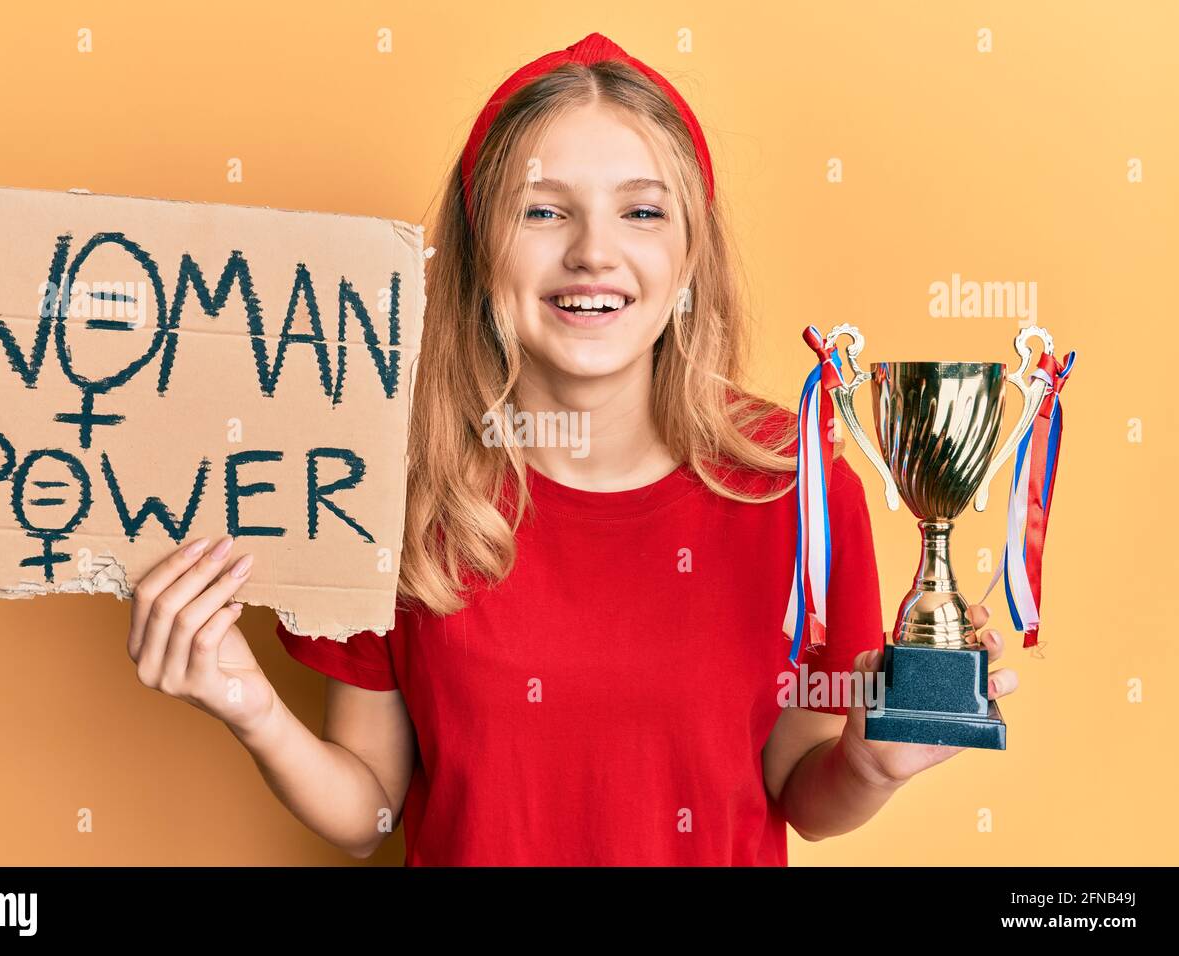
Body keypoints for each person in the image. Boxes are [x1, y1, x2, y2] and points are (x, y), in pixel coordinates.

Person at [125, 32, 1018, 866]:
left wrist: (870, 764)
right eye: (545, 211)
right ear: (481, 256)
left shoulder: (797, 486)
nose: (594, 252)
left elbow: (800, 790)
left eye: (641, 212)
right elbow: (370, 813)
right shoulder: (394, 484)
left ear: (690, 260)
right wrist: (244, 704)